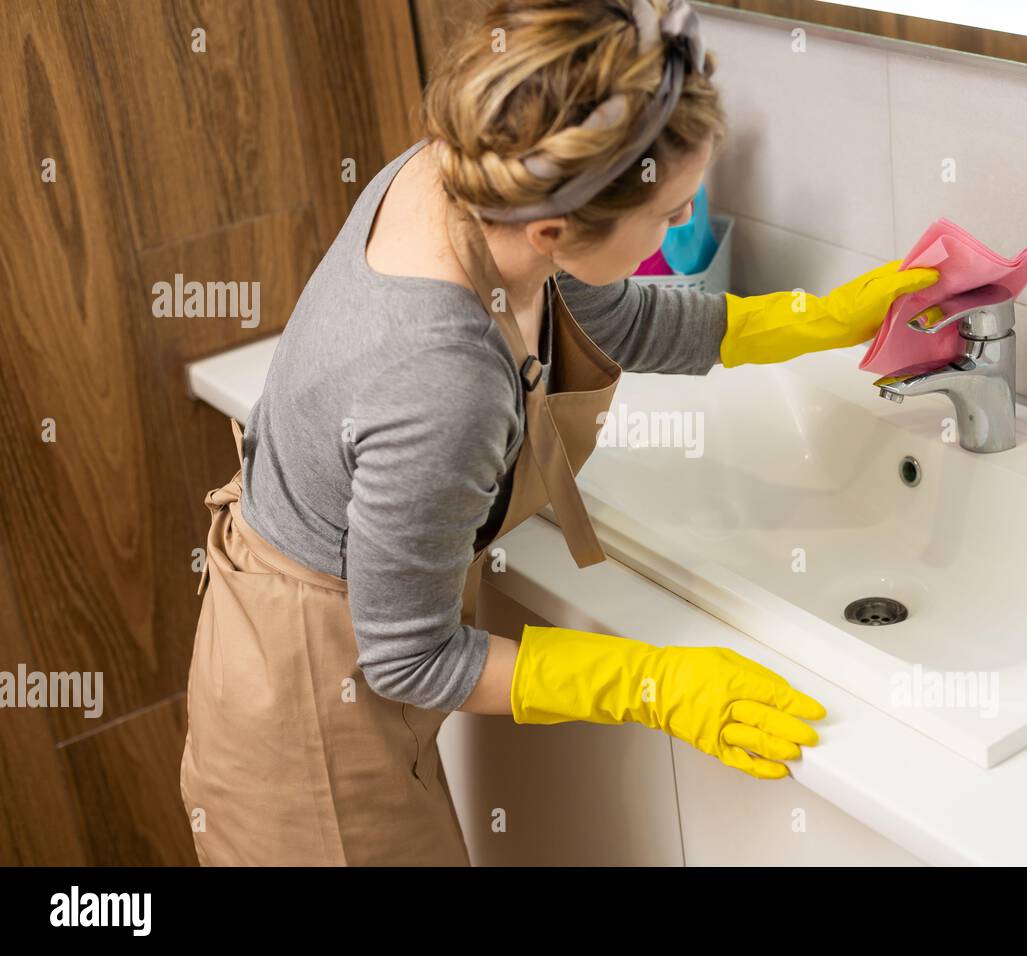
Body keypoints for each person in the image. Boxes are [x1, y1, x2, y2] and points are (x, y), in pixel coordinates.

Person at [178, 0, 939, 866]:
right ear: (555, 230)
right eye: (668, 214)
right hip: (307, 718)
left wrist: (822, 318)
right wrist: (655, 682)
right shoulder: (440, 378)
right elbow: (411, 658)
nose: (681, 230)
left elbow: (615, 315)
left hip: (349, 626)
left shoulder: (479, 177)